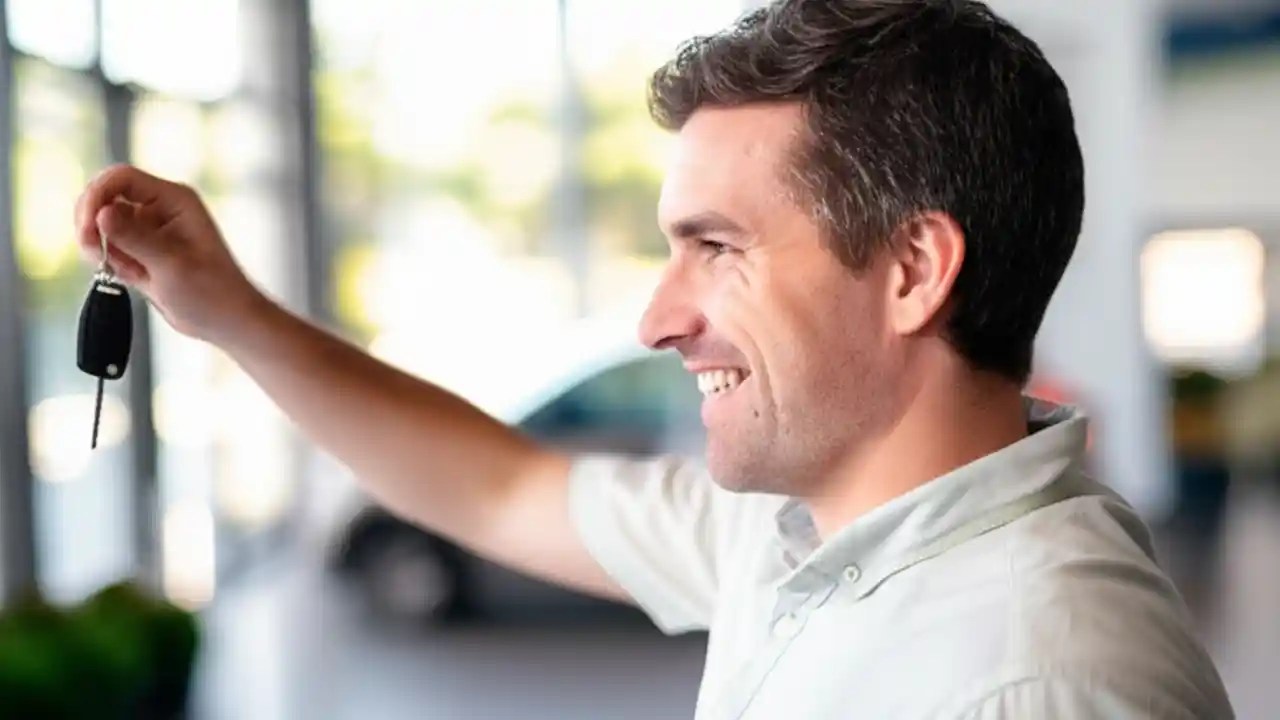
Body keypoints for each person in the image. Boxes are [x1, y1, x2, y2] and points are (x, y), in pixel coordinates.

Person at [75, 1, 1233, 717]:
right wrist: (228, 312)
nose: (655, 320)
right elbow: (496, 485)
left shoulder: (1046, 683)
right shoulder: (792, 536)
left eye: (716, 249)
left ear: (912, 270)